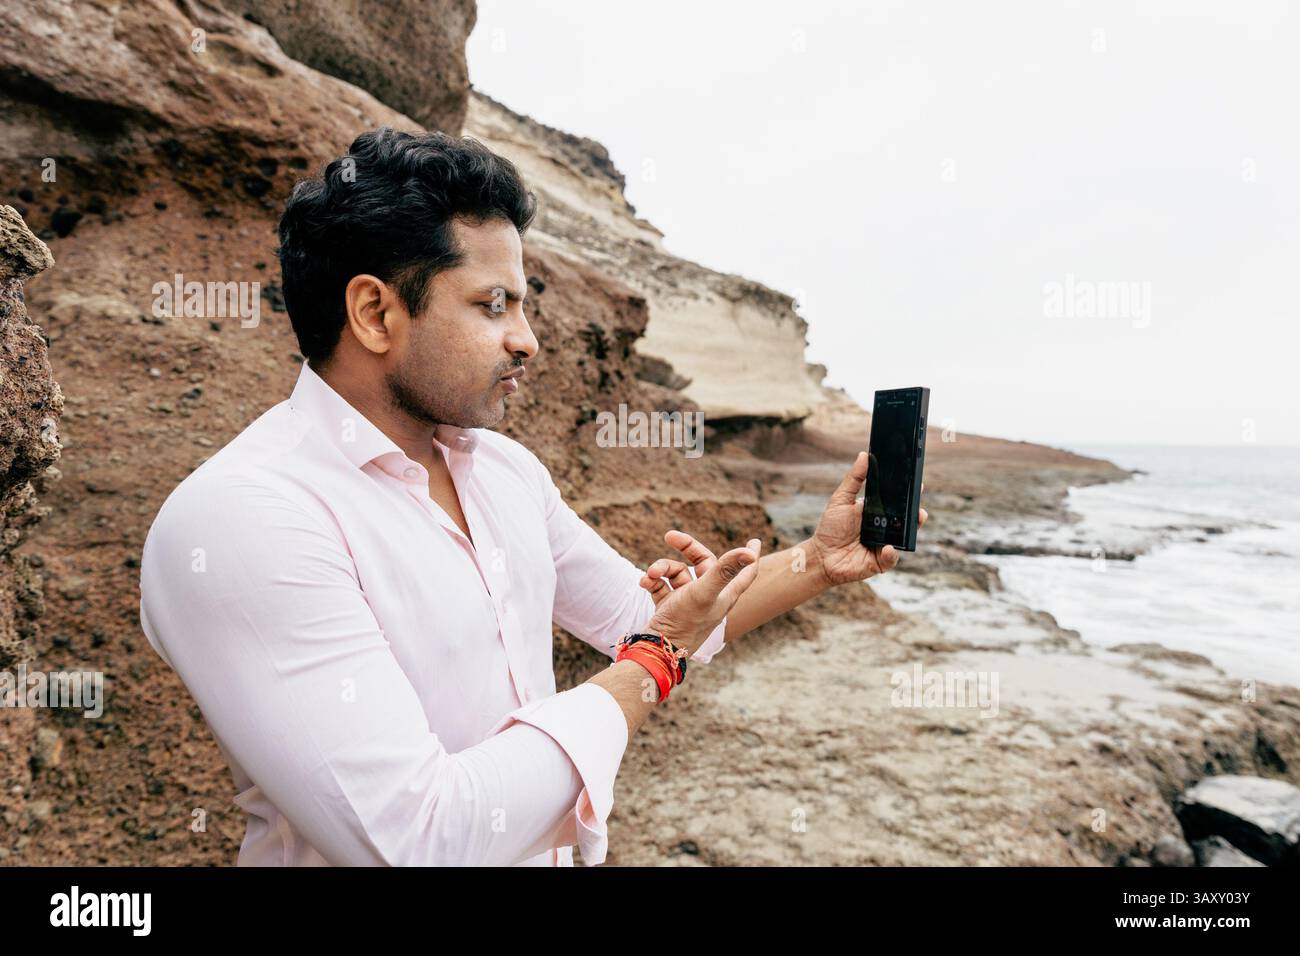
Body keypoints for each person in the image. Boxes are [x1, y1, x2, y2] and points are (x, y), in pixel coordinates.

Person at [138, 128, 925, 866]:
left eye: (522, 302)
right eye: (492, 305)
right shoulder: (245, 515)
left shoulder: (505, 472)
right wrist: (653, 661)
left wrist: (819, 562)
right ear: (375, 313)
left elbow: (643, 619)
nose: (528, 337)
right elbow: (417, 839)